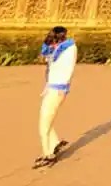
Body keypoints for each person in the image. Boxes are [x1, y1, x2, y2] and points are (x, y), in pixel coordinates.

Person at [35, 26, 77, 168]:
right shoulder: (57, 50)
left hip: (58, 88)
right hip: (52, 87)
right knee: (47, 118)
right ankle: (54, 144)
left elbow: (68, 70)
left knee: (44, 123)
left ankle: (48, 154)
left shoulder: (68, 49)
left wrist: (63, 87)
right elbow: (48, 61)